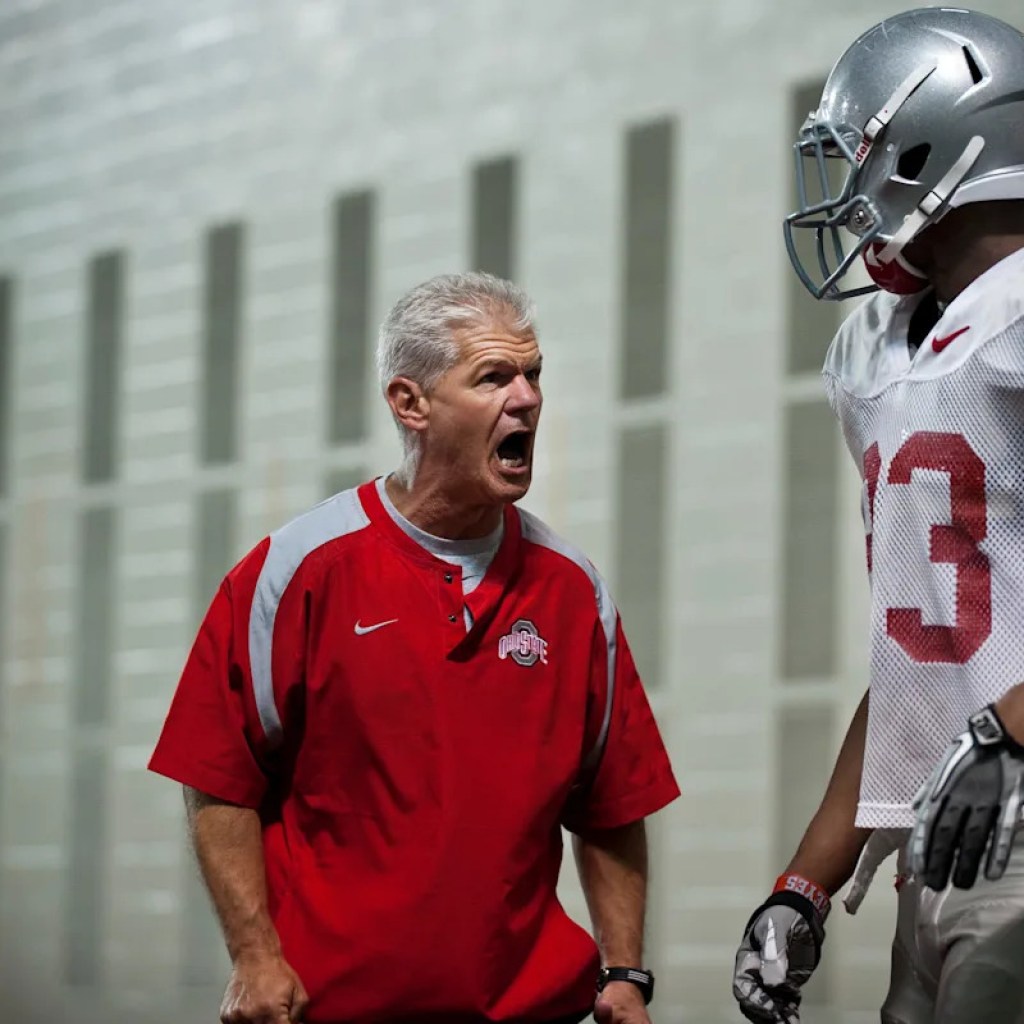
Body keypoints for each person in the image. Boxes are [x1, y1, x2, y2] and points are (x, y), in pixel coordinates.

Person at [149, 271, 680, 1024]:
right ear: (411, 403)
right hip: (329, 1009)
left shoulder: (573, 591)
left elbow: (612, 801)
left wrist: (625, 970)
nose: (527, 397)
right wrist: (254, 956)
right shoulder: (295, 572)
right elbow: (217, 779)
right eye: (494, 376)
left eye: (533, 375)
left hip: (532, 1009)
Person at [730, 8, 1024, 1024]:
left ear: (930, 145)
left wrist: (1010, 729)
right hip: (947, 836)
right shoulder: (883, 348)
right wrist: (804, 881)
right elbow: (923, 663)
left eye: (856, 153)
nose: (845, 188)